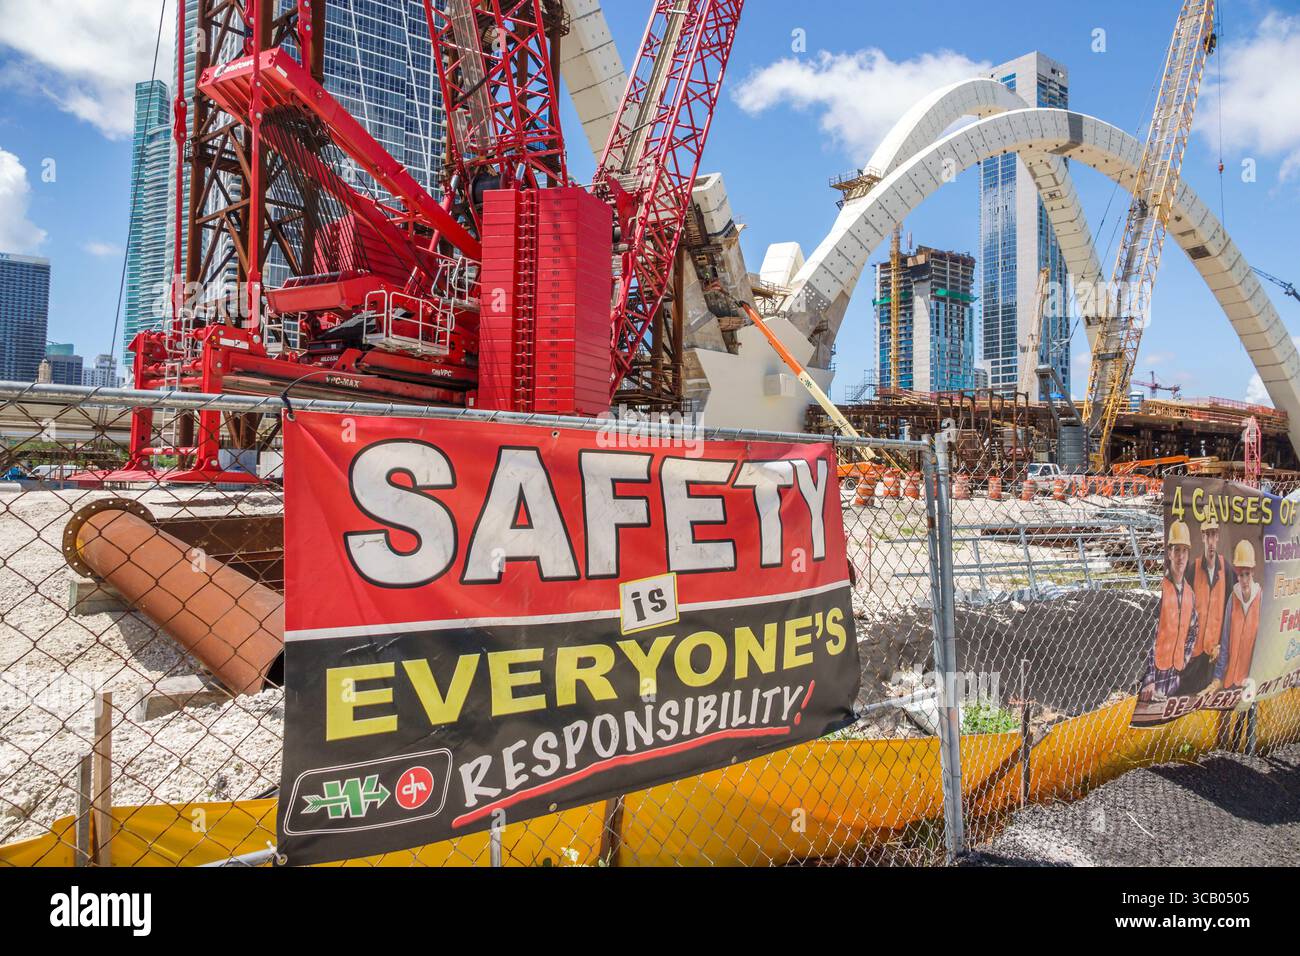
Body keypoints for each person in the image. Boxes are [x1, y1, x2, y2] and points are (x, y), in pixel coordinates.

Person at [1139, 520, 1199, 701]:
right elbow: (1147, 634)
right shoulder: (1161, 590)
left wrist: (1184, 661)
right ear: (1169, 553)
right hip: (1156, 673)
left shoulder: (1189, 593)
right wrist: (1148, 679)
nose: (1181, 556)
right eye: (1176, 550)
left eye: (1184, 550)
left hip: (1175, 674)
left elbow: (1192, 631)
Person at [1182, 515, 1233, 692]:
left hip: (1214, 654)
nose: (1211, 541)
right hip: (1193, 655)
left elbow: (1232, 612)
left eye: (1214, 535)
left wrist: (1222, 645)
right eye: (1207, 535)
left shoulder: (1226, 569)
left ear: (1218, 537)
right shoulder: (1192, 569)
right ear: (1202, 536)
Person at [1210, 539, 1262, 692]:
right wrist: (1217, 677)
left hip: (1252, 681)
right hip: (1231, 679)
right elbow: (1225, 643)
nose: (1244, 580)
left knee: (1249, 714)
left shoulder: (1262, 599)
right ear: (1236, 573)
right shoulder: (1232, 600)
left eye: (1247, 574)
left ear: (1252, 571)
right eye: (1240, 574)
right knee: (1227, 715)